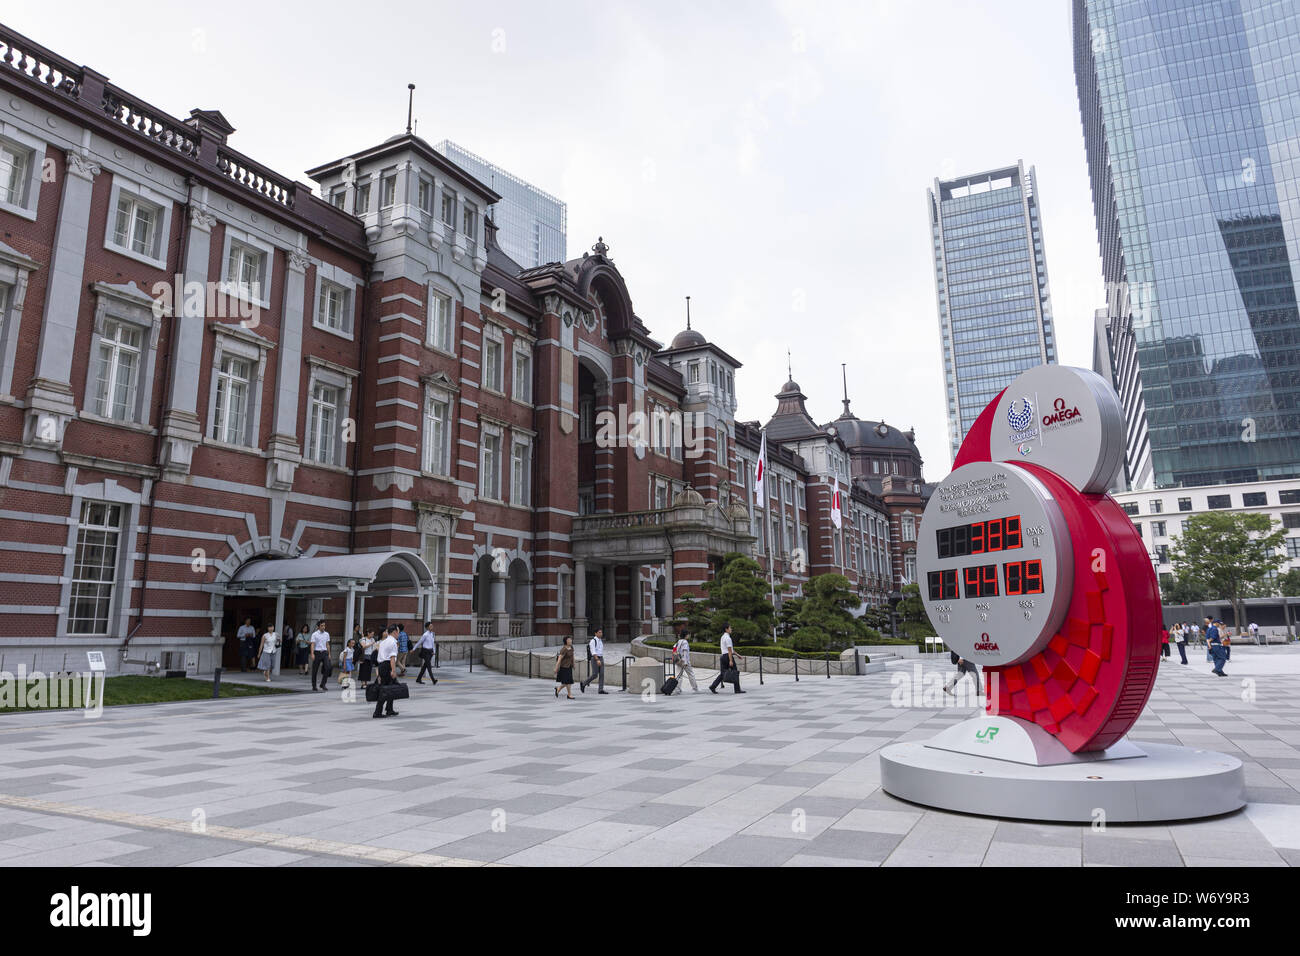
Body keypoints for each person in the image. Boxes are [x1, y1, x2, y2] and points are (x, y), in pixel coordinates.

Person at [373, 625, 401, 718]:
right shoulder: (393, 642)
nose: (399, 634)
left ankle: (389, 709)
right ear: (394, 632)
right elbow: (392, 658)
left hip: (382, 665)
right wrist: (393, 670)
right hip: (387, 666)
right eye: (398, 632)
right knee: (384, 690)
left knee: (390, 688)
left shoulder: (383, 642)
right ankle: (377, 712)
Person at [710, 623, 745, 694]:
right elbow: (729, 651)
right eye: (730, 628)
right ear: (726, 629)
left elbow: (729, 649)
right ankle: (737, 689)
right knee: (735, 671)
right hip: (728, 657)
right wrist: (731, 660)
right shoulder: (728, 638)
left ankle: (713, 686)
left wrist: (737, 655)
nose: (731, 629)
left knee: (723, 674)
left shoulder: (723, 637)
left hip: (723, 656)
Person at [580, 627, 608, 694]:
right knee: (595, 674)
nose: (601, 634)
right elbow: (593, 651)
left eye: (601, 632)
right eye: (599, 632)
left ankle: (600, 689)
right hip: (595, 658)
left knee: (602, 674)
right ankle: (583, 683)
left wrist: (601, 659)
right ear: (595, 633)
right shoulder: (593, 641)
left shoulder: (600, 641)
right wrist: (597, 660)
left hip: (601, 657)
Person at [309, 619, 332, 692]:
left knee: (328, 667)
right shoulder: (314, 634)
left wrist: (329, 654)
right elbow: (312, 644)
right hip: (317, 653)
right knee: (315, 670)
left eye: (324, 625)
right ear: (318, 627)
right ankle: (314, 686)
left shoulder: (327, 634)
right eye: (322, 626)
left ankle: (323, 684)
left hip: (324, 652)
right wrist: (312, 654)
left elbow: (327, 644)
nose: (323, 627)